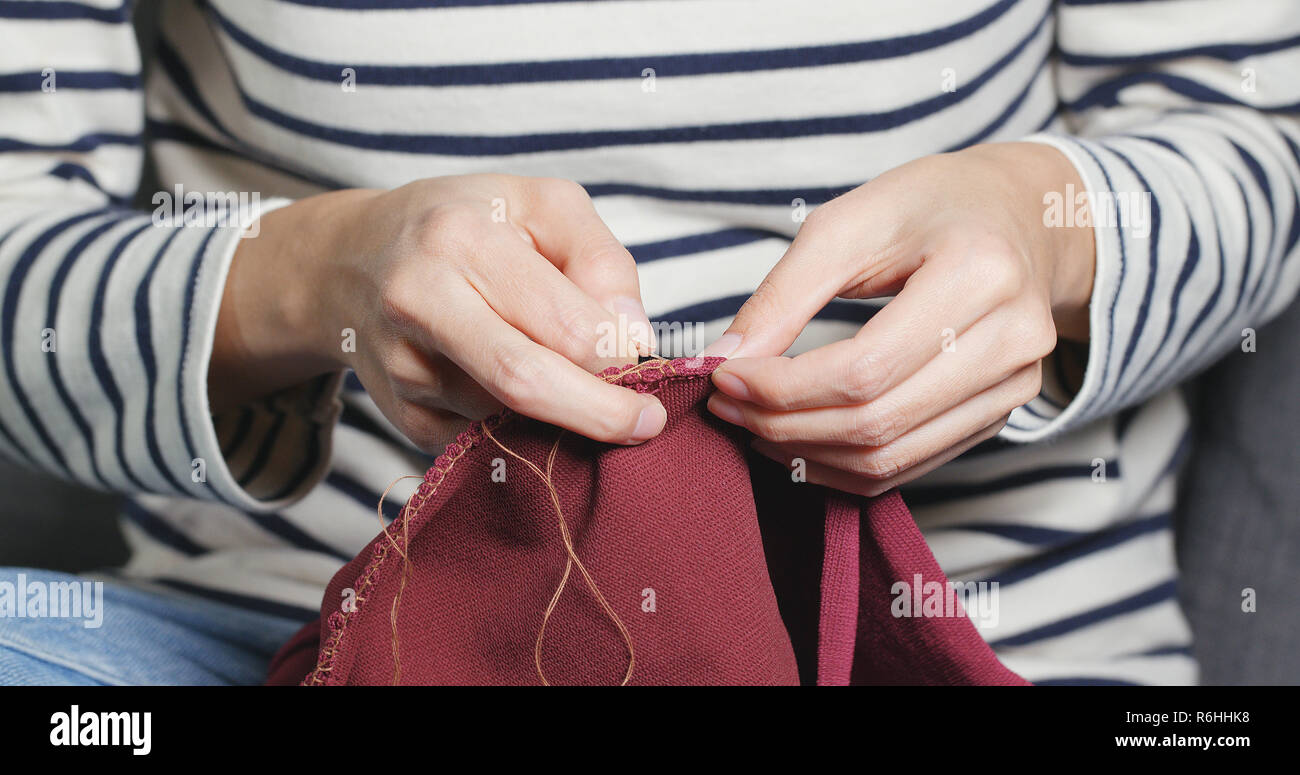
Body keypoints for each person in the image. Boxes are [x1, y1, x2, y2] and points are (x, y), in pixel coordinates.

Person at [0, 0, 1296, 685]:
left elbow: (1260, 145)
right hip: (276, 645)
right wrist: (318, 274)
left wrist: (1047, 232)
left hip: (1016, 644)